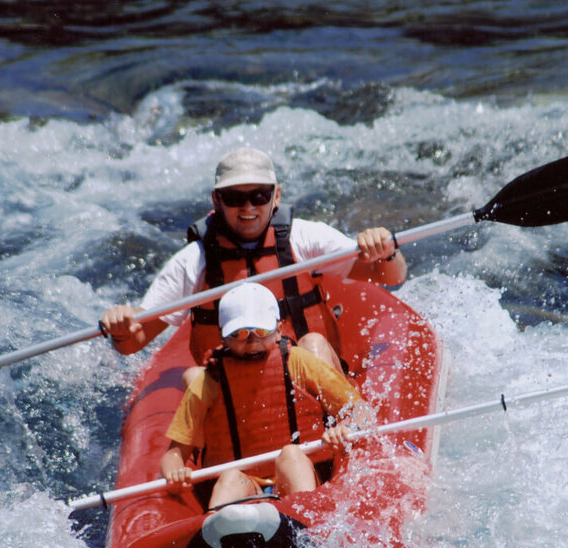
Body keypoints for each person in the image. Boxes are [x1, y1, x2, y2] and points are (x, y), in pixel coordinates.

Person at [101, 147, 406, 367]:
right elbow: (133, 343)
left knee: (314, 346)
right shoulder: (193, 261)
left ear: (277, 196)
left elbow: (390, 276)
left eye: (259, 195)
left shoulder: (306, 237)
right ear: (216, 201)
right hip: (232, 392)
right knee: (193, 378)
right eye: (235, 197)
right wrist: (120, 328)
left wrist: (386, 250)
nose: (248, 208)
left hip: (308, 378)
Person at [158, 282, 371, 510]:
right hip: (247, 486)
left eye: (261, 331)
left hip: (301, 474)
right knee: (231, 476)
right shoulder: (208, 382)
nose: (252, 341)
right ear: (223, 338)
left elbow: (361, 412)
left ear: (279, 331)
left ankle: (308, 521)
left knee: (291, 455)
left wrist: (345, 426)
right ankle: (220, 531)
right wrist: (174, 473)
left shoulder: (298, 361)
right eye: (239, 333)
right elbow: (174, 453)